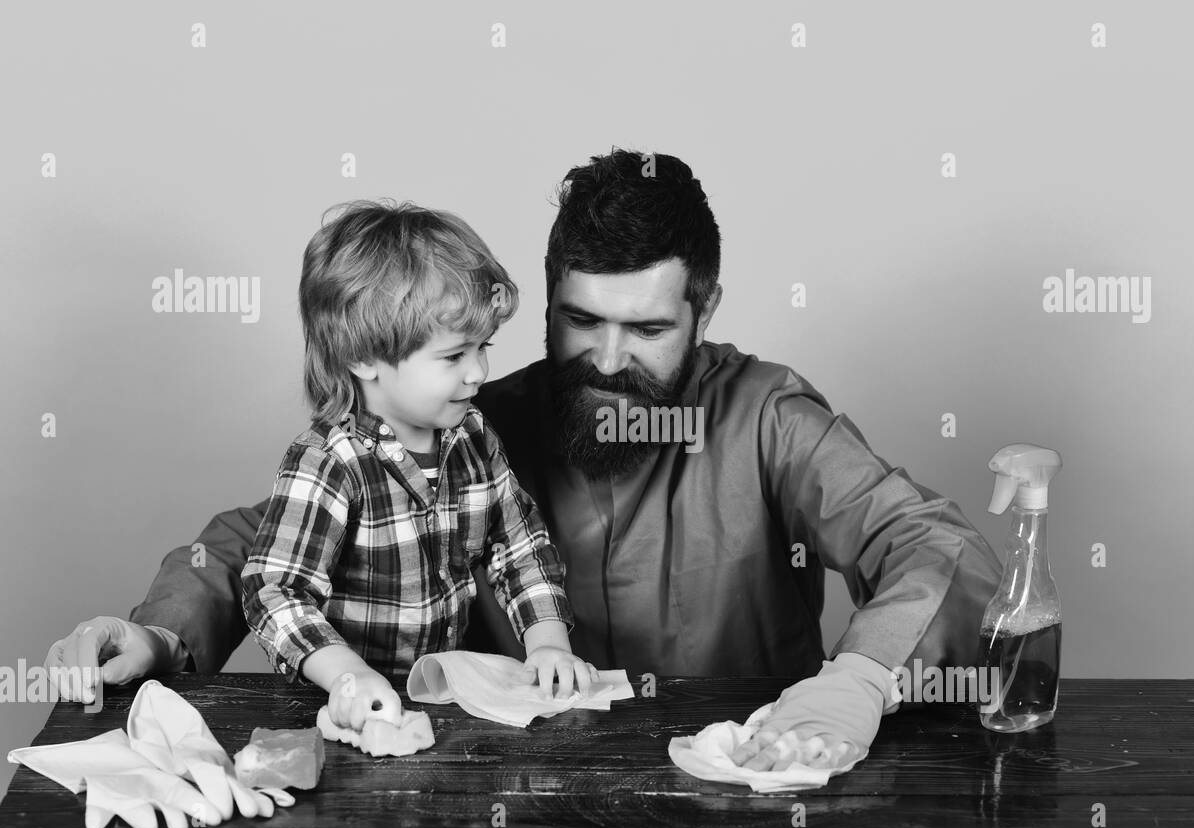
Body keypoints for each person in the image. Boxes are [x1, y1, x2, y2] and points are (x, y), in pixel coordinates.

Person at [48, 149, 1003, 772]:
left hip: (746, 795)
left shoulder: (769, 417)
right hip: (510, 813)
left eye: (648, 328)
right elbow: (265, 542)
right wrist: (162, 636)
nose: (609, 359)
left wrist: (862, 680)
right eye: (581, 320)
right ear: (542, 298)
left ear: (704, 309)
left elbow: (935, 547)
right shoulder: (475, 419)